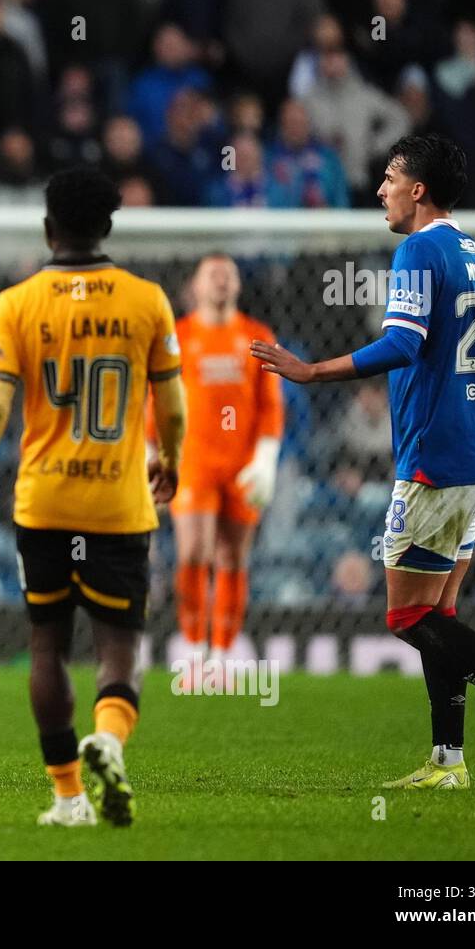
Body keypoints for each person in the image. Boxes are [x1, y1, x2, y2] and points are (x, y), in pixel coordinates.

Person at [252, 134, 475, 790]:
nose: (381, 190)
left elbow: (402, 342)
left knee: (405, 616)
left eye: (391, 178)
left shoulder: (418, 249)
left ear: (418, 189)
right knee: (439, 614)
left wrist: (312, 371)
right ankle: (448, 761)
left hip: (433, 459)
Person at [0, 168, 187, 826]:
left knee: (46, 645)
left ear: (48, 228)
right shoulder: (147, 300)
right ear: (108, 226)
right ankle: (108, 735)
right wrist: (172, 457)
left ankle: (69, 796)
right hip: (118, 504)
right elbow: (175, 404)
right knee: (118, 649)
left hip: (43, 501)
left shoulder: (17, 302)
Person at [161, 254, 283, 681]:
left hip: (241, 465)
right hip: (192, 462)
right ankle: (193, 647)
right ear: (194, 286)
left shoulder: (255, 336)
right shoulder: (178, 337)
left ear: (238, 285)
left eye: (228, 274)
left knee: (233, 556)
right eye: (212, 274)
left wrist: (266, 458)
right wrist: (151, 452)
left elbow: (270, 405)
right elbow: (155, 399)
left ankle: (223, 654)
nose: (220, 281)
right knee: (193, 551)